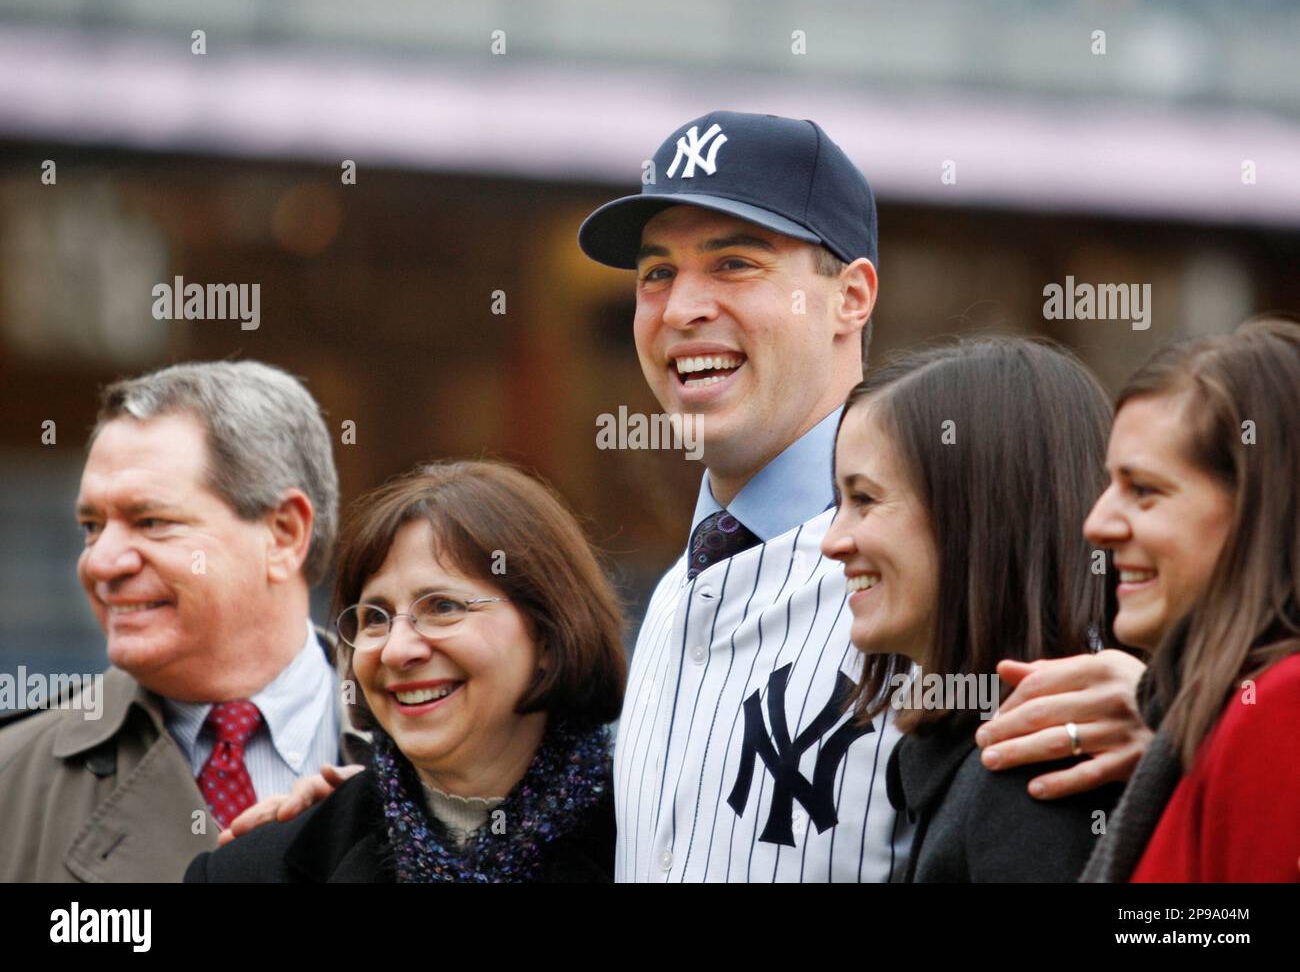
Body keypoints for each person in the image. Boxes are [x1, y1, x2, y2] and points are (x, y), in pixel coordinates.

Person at [226, 110, 1153, 882]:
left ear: (852, 295)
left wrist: (1166, 719)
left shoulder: (943, 569)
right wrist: (371, 807)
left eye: (735, 263)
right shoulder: (675, 590)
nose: (680, 308)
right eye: (657, 272)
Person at [0, 360, 361, 882]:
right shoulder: (15, 781)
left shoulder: (454, 763)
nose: (101, 563)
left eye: (151, 522)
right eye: (91, 526)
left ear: (283, 534)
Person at [185, 460, 626, 882]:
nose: (397, 651)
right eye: (375, 616)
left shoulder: (659, 843)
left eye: (443, 607)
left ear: (547, 637)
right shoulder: (251, 872)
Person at [822, 337, 1126, 881]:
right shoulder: (985, 759)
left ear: (980, 515)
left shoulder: (1035, 777)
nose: (833, 540)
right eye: (838, 502)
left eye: (864, 499)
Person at [1080, 318, 1300, 882]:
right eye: (1109, 485)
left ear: (1257, 507)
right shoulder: (1222, 711)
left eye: (1144, 490)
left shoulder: (1280, 705)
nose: (1097, 523)